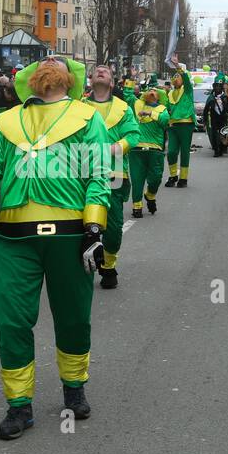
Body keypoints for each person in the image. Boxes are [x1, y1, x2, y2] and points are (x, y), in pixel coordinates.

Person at [0, 57, 111, 440]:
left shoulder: (87, 118)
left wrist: (94, 228)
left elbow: (98, 176)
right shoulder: (9, 121)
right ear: (28, 79)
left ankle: (74, 387)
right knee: (12, 320)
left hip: (68, 234)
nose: (49, 62)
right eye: (42, 60)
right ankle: (19, 405)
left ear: (70, 78)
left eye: (57, 61)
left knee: (73, 317)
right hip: (14, 238)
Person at [83, 63, 139, 290]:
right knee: (81, 220)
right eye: (97, 70)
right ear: (90, 79)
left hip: (115, 171)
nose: (101, 70)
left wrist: (116, 148)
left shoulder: (123, 108)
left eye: (106, 71)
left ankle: (108, 264)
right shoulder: (80, 106)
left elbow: (134, 134)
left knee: (113, 227)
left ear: (112, 82)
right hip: (84, 170)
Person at [130, 83, 170, 218]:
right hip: (136, 148)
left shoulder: (162, 109)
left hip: (155, 149)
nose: (151, 92)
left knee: (156, 178)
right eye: (149, 90)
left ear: (160, 96)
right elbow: (127, 95)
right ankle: (137, 206)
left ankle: (150, 194)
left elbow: (165, 122)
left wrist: (150, 113)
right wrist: (130, 77)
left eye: (154, 91)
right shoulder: (137, 105)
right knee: (137, 179)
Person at [164, 63, 195, 187]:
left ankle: (183, 178)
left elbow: (187, 80)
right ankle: (173, 175)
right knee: (171, 152)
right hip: (172, 125)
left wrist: (178, 66)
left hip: (186, 124)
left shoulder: (187, 90)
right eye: (174, 76)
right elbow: (166, 108)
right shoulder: (170, 93)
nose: (175, 78)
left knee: (185, 151)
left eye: (178, 76)